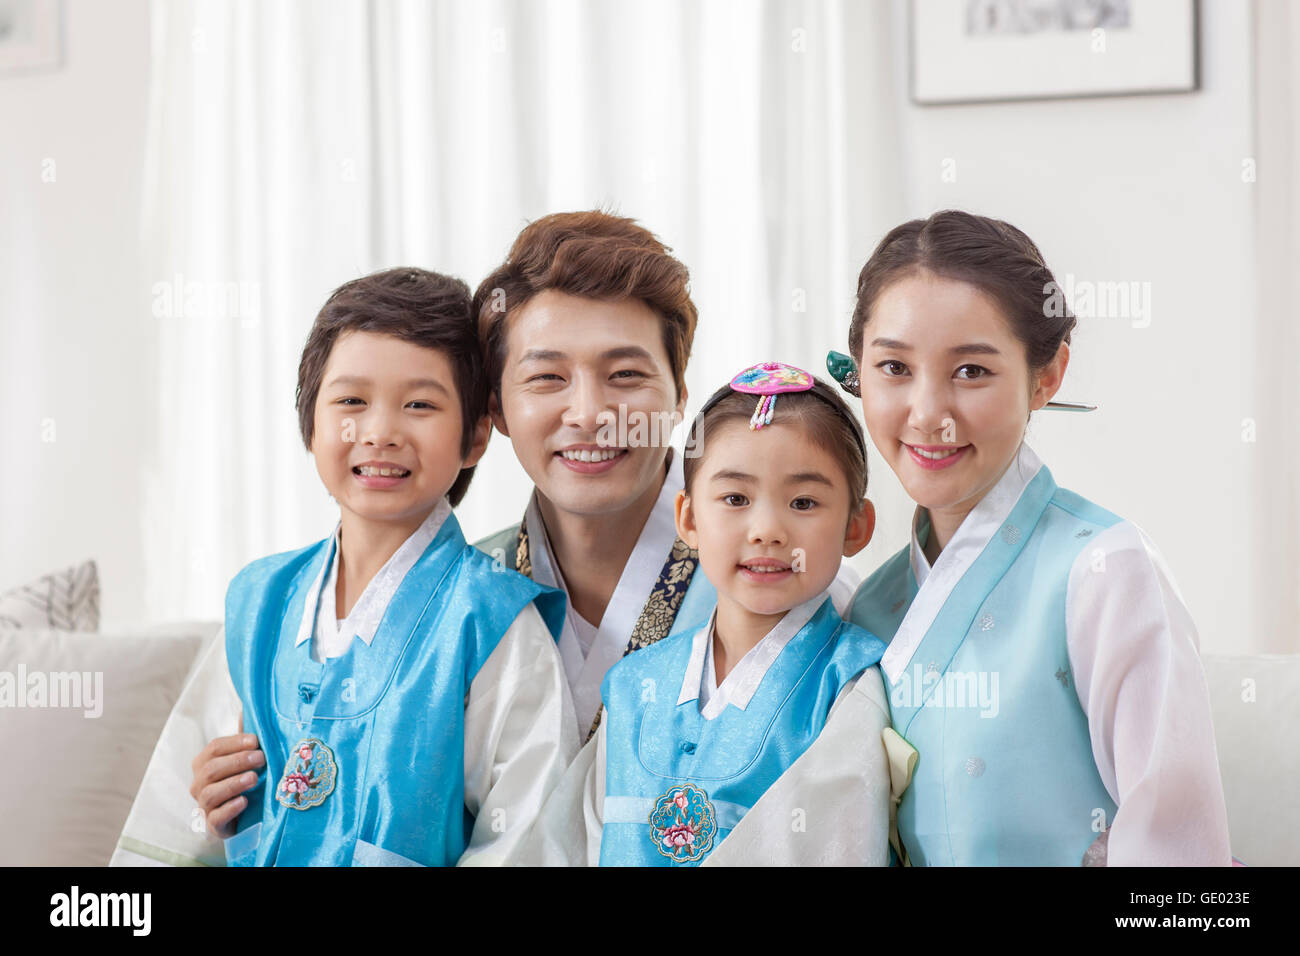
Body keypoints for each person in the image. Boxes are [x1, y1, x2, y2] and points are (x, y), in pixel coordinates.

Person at [183, 210, 858, 842]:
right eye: (546, 378)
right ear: (497, 410)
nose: (590, 413)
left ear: (680, 395)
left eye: (625, 375)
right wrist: (250, 799)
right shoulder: (460, 601)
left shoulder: (800, 587)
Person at [778, 209, 1229, 865]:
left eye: (971, 372)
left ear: (1046, 377)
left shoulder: (1105, 572)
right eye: (895, 369)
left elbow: (1180, 869)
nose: (927, 414)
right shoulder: (871, 605)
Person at [111, 268, 576, 866]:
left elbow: (526, 838)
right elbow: (174, 824)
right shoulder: (259, 602)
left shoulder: (491, 622)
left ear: (477, 434)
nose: (380, 432)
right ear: (311, 424)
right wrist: (206, 804)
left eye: (419, 404)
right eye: (351, 401)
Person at [512, 363, 908, 866]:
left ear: (856, 526)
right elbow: (573, 848)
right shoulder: (634, 686)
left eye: (803, 501)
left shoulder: (850, 685)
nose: (767, 530)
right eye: (736, 498)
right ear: (689, 518)